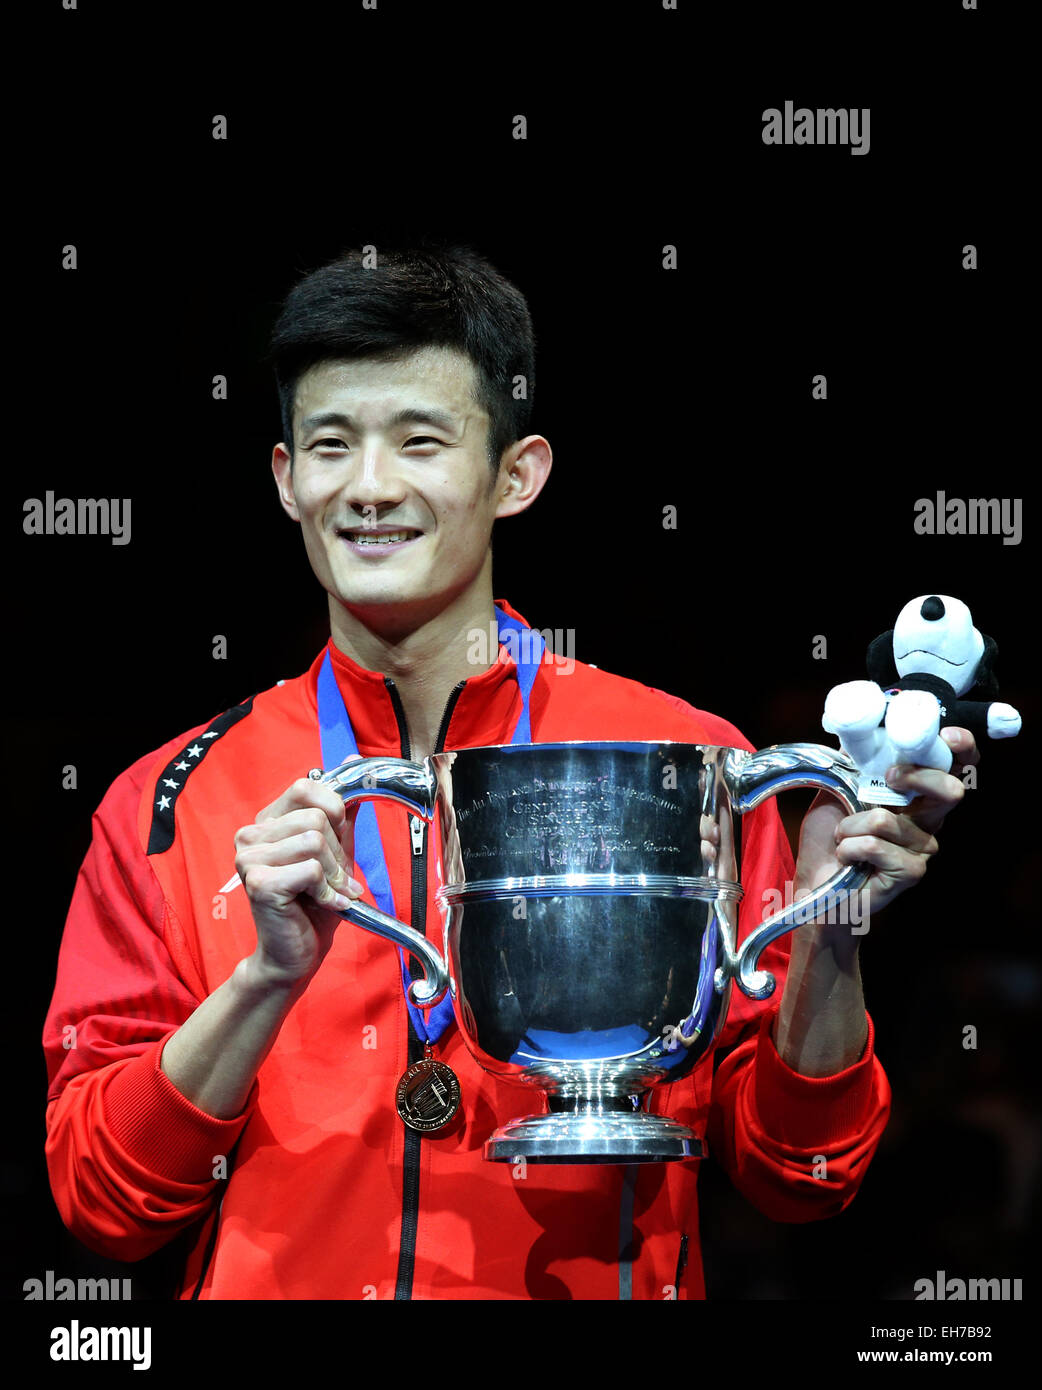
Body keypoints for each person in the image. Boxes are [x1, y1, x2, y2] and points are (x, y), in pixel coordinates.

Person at [42, 245, 977, 1300]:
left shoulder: (685, 761)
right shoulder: (168, 801)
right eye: (331, 445)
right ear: (284, 479)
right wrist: (264, 980)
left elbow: (801, 1175)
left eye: (420, 441)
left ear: (515, 474)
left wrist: (825, 933)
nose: (370, 488)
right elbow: (103, 1204)